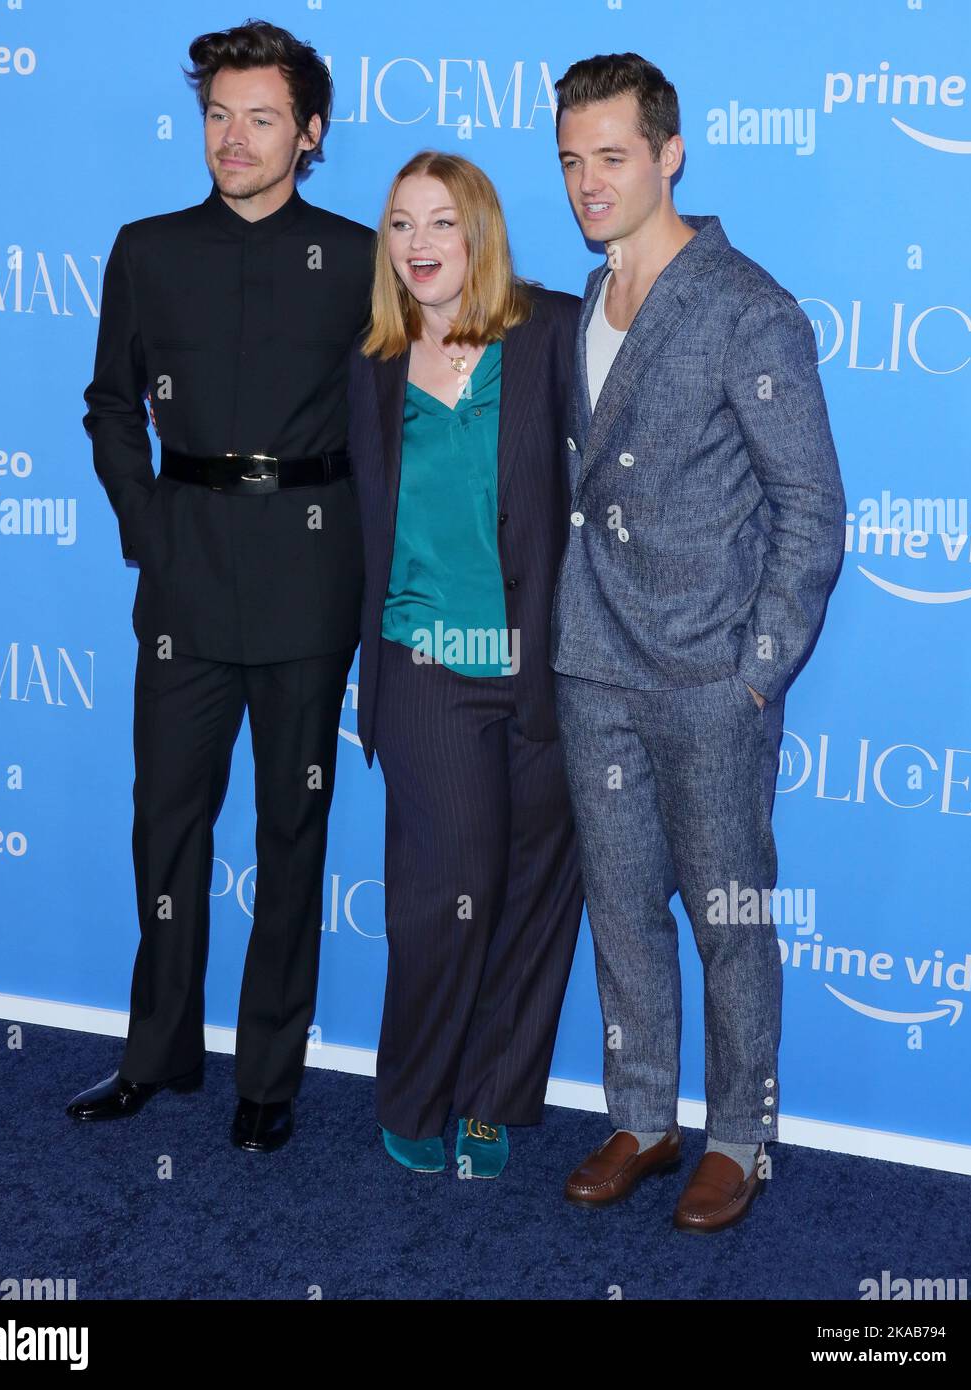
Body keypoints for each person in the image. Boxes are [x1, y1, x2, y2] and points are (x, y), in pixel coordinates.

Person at [66, 20, 374, 1153]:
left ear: (309, 133)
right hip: (186, 577)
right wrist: (149, 525)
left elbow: (396, 418)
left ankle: (270, 1077)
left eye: (259, 118)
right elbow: (107, 403)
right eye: (217, 115)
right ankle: (157, 1056)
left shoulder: (356, 257)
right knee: (165, 824)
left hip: (309, 575)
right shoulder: (147, 248)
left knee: (293, 824)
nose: (232, 138)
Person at [550, 54, 845, 1230]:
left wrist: (754, 674)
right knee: (621, 910)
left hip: (708, 677)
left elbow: (813, 509)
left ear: (670, 155)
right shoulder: (589, 292)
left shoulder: (746, 305)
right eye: (571, 159)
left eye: (611, 157)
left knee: (728, 918)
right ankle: (641, 1114)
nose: (588, 181)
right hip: (593, 661)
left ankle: (739, 1134)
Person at [347, 151, 585, 1177]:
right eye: (401, 225)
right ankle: (415, 1091)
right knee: (446, 890)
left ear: (480, 233)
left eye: (440, 223)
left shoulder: (554, 334)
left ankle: (492, 1097)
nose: (419, 246)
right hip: (430, 658)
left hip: (551, 663)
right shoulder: (368, 361)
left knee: (537, 885)